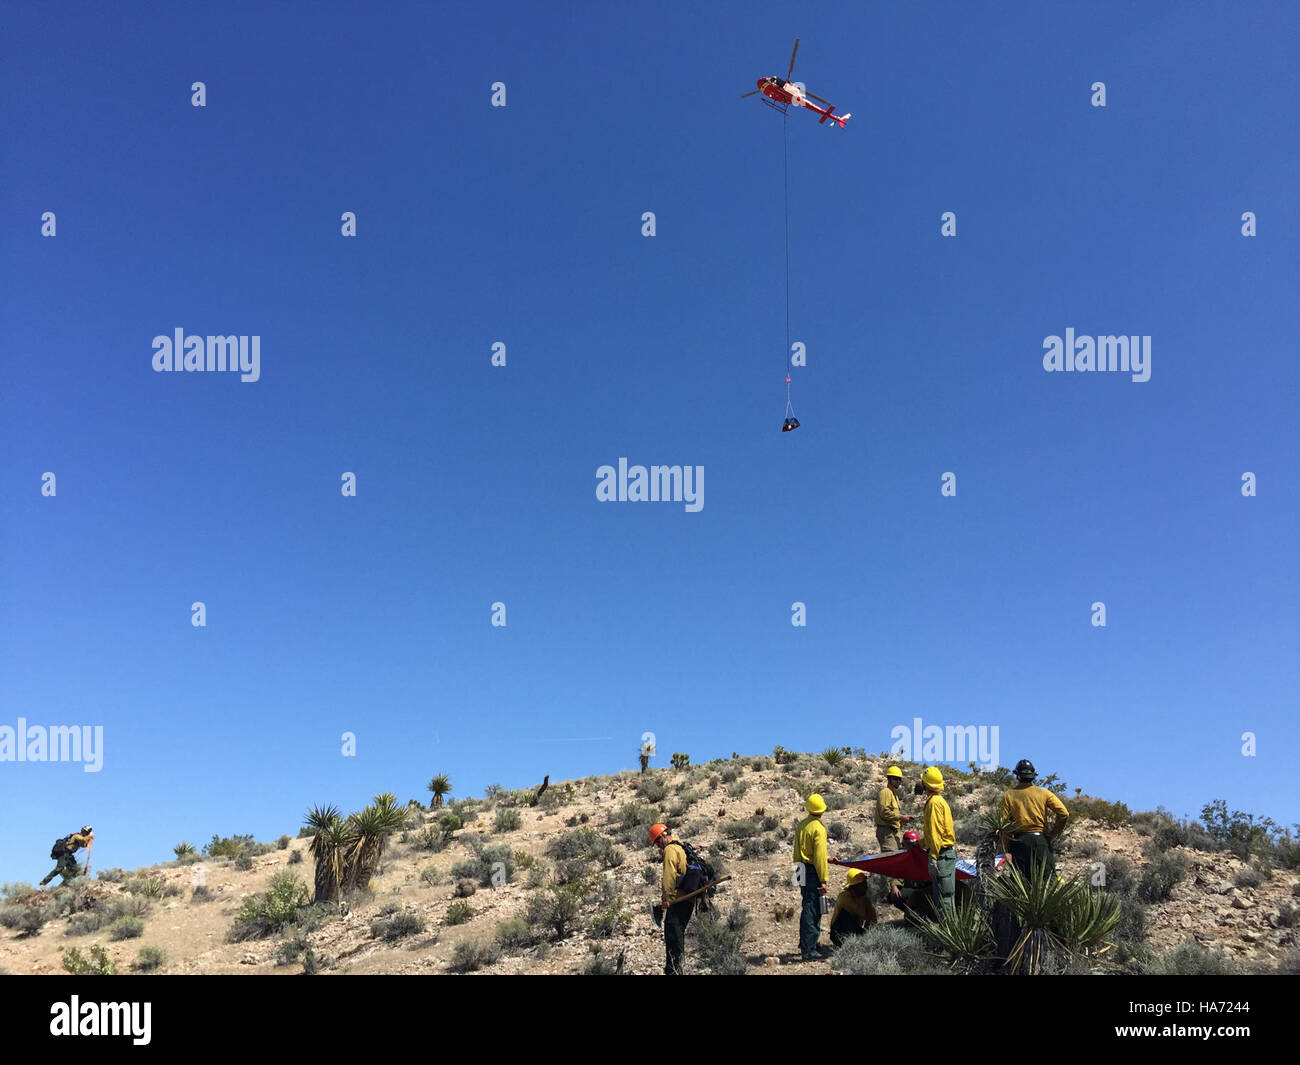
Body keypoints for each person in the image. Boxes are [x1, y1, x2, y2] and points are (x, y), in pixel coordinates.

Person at [999, 759, 1069, 879]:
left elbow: (1003, 826)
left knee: (1021, 882)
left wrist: (1006, 849)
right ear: (1033, 776)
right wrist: (1052, 834)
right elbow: (1064, 814)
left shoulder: (1009, 795)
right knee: (1048, 881)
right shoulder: (1044, 793)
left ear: (1017, 776)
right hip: (1040, 841)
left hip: (1019, 843)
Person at [650, 823, 695, 975]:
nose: (657, 846)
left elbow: (669, 877)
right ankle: (678, 969)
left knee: (673, 939)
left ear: (663, 836)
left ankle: (674, 971)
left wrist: (667, 899)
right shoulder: (681, 846)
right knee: (678, 936)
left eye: (657, 842)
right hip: (688, 900)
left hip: (676, 901)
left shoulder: (670, 849)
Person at [793, 794, 830, 960]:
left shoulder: (802, 825)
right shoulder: (818, 828)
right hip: (811, 870)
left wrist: (797, 873)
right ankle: (809, 949)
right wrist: (823, 879)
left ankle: (806, 943)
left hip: (800, 868)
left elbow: (796, 851)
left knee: (806, 904)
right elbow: (819, 857)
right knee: (812, 908)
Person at [874, 766, 914, 904]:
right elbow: (885, 812)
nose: (898, 781)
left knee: (898, 857)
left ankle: (896, 889)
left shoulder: (894, 794)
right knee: (890, 858)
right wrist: (901, 817)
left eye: (899, 779)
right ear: (889, 779)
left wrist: (900, 821)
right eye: (895, 779)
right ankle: (889, 893)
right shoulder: (886, 792)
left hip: (893, 830)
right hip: (886, 831)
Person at [920, 769, 956, 916]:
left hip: (942, 855)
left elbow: (936, 833)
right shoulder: (939, 801)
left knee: (943, 900)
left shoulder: (934, 803)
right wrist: (921, 843)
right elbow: (934, 833)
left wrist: (933, 856)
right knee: (945, 897)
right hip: (945, 854)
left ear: (926, 784)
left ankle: (947, 933)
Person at [828, 868, 876, 946]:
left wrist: (869, 932)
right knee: (847, 916)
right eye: (863, 883)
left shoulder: (863, 897)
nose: (866, 885)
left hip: (854, 930)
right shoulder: (845, 897)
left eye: (865, 882)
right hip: (839, 933)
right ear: (854, 886)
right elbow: (860, 914)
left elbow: (872, 917)